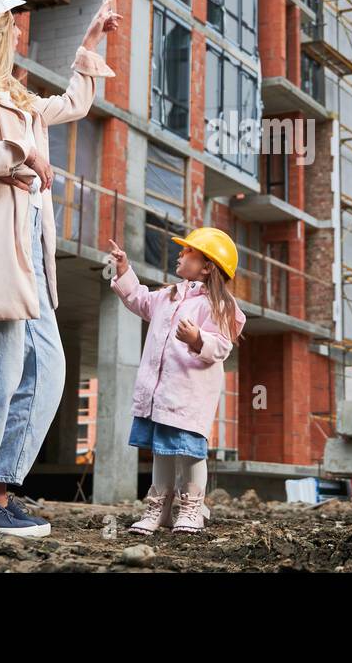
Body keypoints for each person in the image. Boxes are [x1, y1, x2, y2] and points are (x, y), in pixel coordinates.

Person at [0, 0, 119, 536]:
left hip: (30, 249)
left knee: (47, 372)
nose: (17, 27)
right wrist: (19, 150)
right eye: (9, 20)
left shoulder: (11, 91)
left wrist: (90, 41)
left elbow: (74, 103)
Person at [106, 228, 245, 534]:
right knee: (161, 451)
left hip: (189, 395)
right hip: (159, 395)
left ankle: (192, 507)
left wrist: (197, 339)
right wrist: (124, 270)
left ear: (208, 266)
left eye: (188, 252)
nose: (180, 255)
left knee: (191, 451)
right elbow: (138, 299)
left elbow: (221, 346)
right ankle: (159, 509)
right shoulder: (169, 295)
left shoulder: (219, 305)